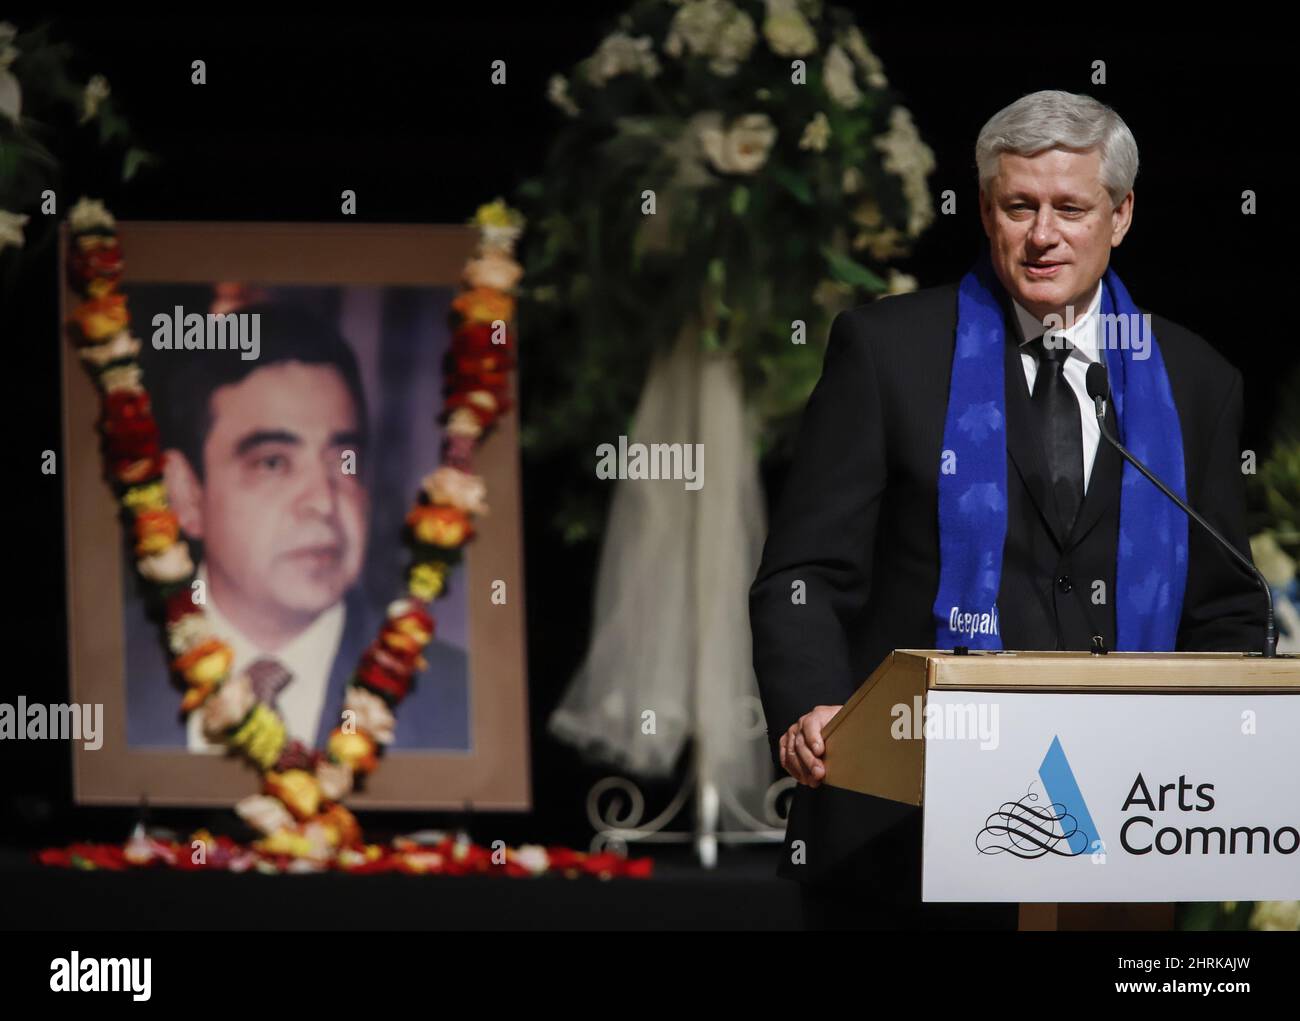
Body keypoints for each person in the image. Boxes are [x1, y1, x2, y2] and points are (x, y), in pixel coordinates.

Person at [748, 90, 1266, 929]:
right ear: (986, 209)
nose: (1042, 234)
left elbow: (1229, 602)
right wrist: (814, 703)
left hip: (1123, 832)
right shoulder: (887, 352)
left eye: (1071, 207)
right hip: (902, 825)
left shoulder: (1196, 380)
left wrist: (1225, 748)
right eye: (1019, 205)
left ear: (1122, 214)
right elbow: (804, 571)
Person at [125, 301, 469, 752]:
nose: (324, 502)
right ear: (187, 495)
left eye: (343, 461)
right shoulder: (106, 678)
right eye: (273, 463)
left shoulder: (457, 702)